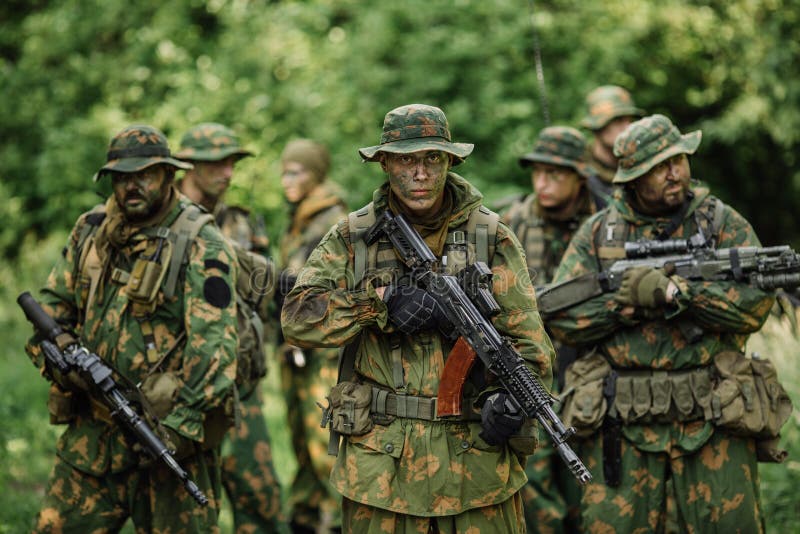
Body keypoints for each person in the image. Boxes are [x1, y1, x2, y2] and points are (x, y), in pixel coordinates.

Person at [281, 104, 555, 533]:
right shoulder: (353, 236)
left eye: (432, 158)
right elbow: (297, 318)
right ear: (385, 164)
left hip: (476, 471)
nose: (421, 173)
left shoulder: (490, 236)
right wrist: (379, 305)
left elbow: (529, 343)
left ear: (449, 162)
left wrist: (508, 402)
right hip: (382, 471)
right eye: (406, 160)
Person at [546, 114, 780, 532]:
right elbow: (561, 318)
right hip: (622, 419)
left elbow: (755, 308)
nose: (674, 173)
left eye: (679, 160)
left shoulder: (720, 223)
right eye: (659, 166)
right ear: (633, 179)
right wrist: (627, 305)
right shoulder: (599, 234)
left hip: (714, 413)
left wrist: (678, 295)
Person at [25, 124, 238, 532]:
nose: (132, 185)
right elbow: (52, 307)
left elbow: (215, 348)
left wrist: (178, 430)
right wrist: (59, 362)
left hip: (168, 445)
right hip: (93, 438)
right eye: (122, 177)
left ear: (169, 174)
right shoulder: (91, 229)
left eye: (145, 175)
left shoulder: (200, 240)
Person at [175, 122, 288, 533]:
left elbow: (265, 298)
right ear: (188, 165)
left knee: (259, 494)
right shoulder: (166, 221)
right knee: (182, 502)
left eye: (232, 163)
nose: (227, 172)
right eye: (216, 163)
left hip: (240, 380)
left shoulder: (241, 223)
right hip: (180, 379)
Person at [502, 126, 595, 533]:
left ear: (580, 176)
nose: (542, 183)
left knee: (587, 488)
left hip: (589, 373)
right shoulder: (515, 223)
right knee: (535, 487)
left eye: (554, 174)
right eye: (537, 172)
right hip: (532, 372)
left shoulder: (601, 225)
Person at [276, 139, 347, 533]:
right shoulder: (300, 217)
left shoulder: (331, 219)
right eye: (284, 172)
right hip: (296, 347)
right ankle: (305, 514)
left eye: (297, 172)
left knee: (325, 443)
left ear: (315, 174)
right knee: (301, 442)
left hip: (323, 351)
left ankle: (338, 519)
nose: (287, 180)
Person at [580, 85, 645, 210]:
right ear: (598, 126)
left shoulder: (641, 167)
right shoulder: (580, 175)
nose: (628, 127)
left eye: (630, 120)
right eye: (618, 120)